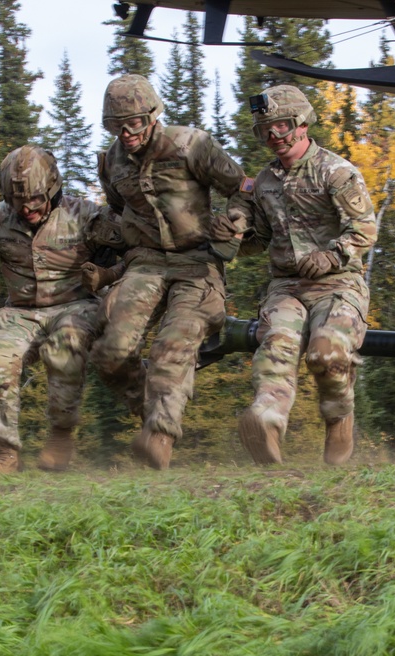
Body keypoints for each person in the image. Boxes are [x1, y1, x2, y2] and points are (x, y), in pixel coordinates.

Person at [91, 73, 251, 470]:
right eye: (115, 126)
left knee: (171, 350)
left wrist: (234, 222)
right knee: (111, 352)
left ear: (153, 116)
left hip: (196, 261)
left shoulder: (191, 145)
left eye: (134, 124)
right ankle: (153, 410)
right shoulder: (112, 160)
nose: (126, 133)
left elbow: (243, 187)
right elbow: (117, 205)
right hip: (145, 263)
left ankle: (160, 436)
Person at [232, 85, 378, 466]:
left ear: (301, 124)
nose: (273, 137)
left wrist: (333, 256)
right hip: (287, 287)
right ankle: (266, 420)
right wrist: (231, 236)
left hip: (339, 284)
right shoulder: (263, 182)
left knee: (326, 353)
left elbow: (364, 228)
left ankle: (339, 418)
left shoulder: (336, 171)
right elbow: (260, 239)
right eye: (265, 130)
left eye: (280, 126)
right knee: (276, 346)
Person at [0, 145, 124, 474]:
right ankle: (4, 453)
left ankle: (60, 436)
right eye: (18, 202)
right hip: (20, 311)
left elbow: (131, 253)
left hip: (76, 305)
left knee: (63, 348)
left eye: (35, 201)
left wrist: (107, 277)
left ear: (52, 191)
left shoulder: (85, 215)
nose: (26, 209)